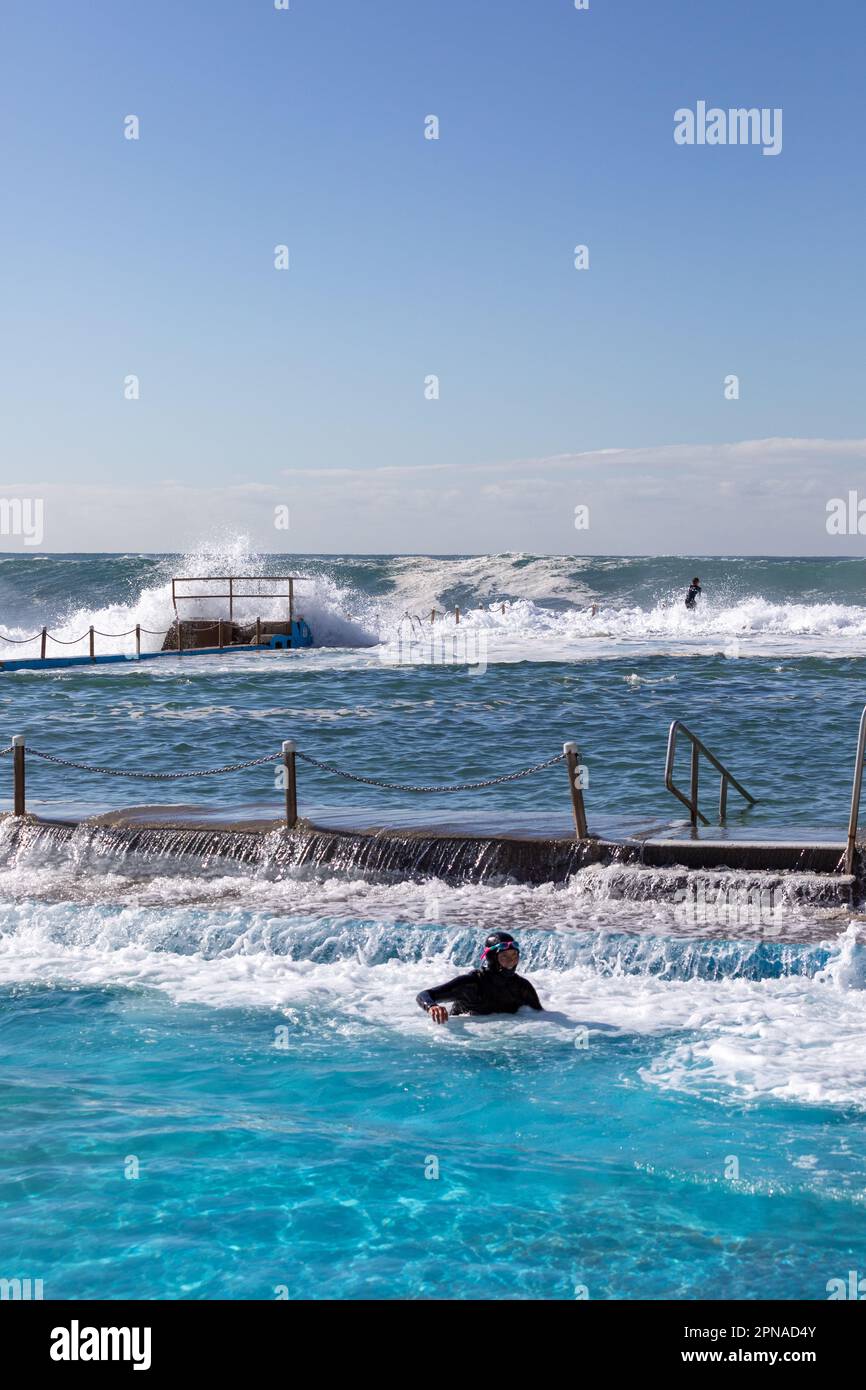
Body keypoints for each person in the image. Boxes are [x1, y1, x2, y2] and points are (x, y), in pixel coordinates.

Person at [416, 931, 542, 1023]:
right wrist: (432, 1007)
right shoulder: (472, 984)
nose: (511, 961)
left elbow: (541, 1017)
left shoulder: (522, 987)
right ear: (493, 958)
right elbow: (424, 995)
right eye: (505, 956)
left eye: (514, 955)